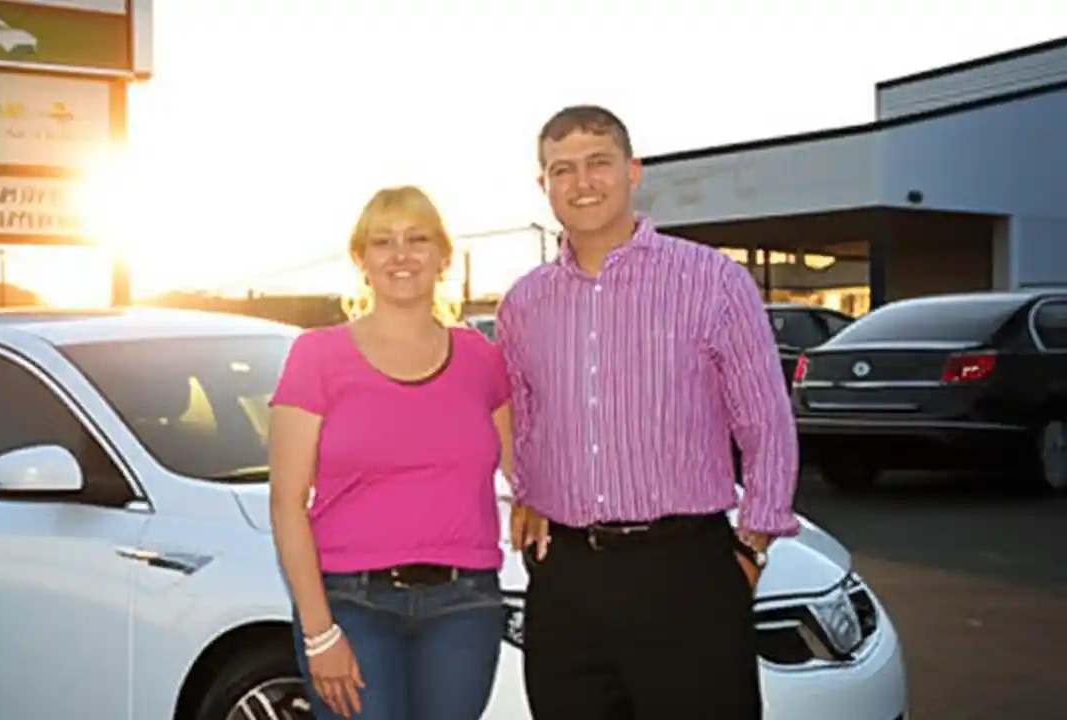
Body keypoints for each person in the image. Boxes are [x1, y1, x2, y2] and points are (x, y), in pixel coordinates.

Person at [496, 105, 800, 719]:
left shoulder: (711, 280)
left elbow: (765, 422)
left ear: (632, 171)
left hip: (686, 573)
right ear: (544, 185)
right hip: (568, 582)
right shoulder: (523, 304)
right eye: (562, 169)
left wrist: (752, 548)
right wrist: (527, 491)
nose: (582, 182)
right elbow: (524, 414)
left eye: (598, 163)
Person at [267, 185, 511, 719]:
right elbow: (286, 502)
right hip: (352, 605)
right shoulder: (317, 356)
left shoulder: (480, 359)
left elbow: (527, 470)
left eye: (417, 238)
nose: (401, 254)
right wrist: (318, 633)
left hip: (465, 605)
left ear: (443, 257)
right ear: (362, 260)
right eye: (384, 241)